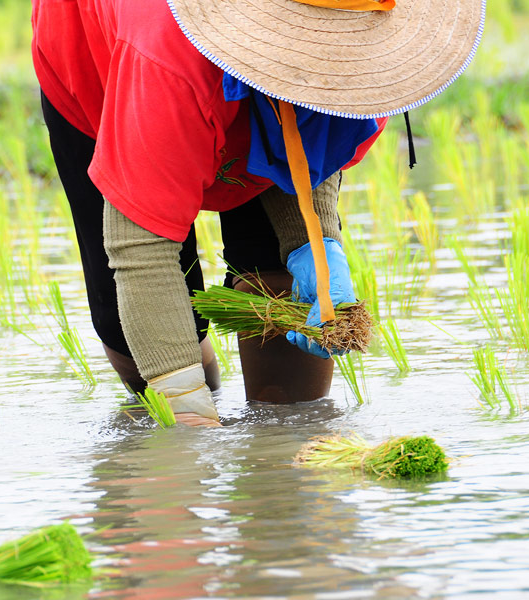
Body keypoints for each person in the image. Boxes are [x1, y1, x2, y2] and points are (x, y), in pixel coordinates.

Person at [31, 0, 484, 426]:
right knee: (137, 340)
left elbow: (314, 136)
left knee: (279, 287)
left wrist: (315, 244)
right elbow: (141, 247)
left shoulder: (369, 43)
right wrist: (187, 421)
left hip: (196, 69)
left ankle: (284, 458)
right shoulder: (165, 60)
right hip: (104, 69)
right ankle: (198, 384)